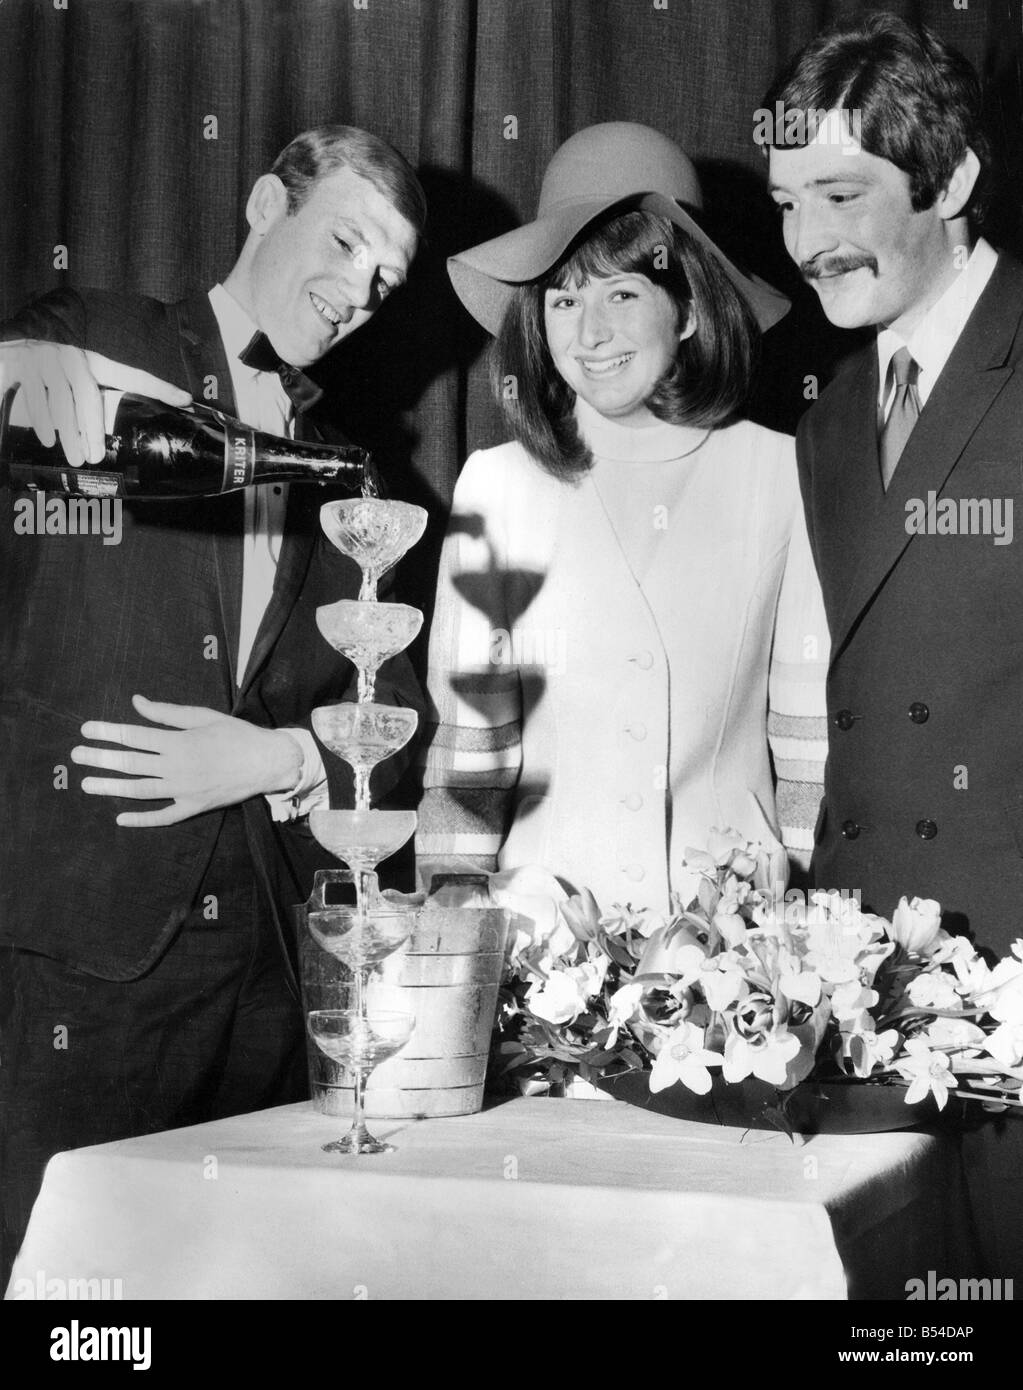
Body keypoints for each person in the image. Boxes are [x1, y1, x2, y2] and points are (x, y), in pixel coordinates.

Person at [0, 125, 425, 1285]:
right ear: (259, 204)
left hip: (266, 982)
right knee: (66, 1299)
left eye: (383, 281)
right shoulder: (90, 337)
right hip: (82, 960)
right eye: (344, 242)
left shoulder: (356, 478)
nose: (356, 292)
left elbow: (398, 719)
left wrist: (281, 757)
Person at [764, 13, 1023, 1279]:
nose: (809, 240)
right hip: (869, 1013)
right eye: (786, 201)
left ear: (956, 180)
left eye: (842, 193)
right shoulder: (824, 426)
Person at [418, 122, 828, 915]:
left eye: (621, 293)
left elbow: (805, 738)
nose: (589, 332)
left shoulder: (782, 472)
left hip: (735, 956)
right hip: (545, 952)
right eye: (564, 299)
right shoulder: (496, 487)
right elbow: (468, 759)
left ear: (685, 311)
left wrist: (804, 943)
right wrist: (454, 937)